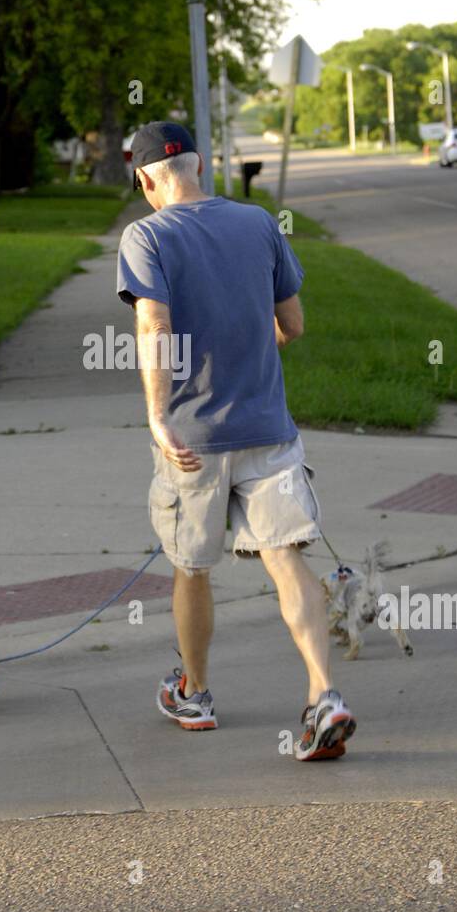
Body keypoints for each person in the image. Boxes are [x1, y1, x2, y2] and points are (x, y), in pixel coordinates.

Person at [116, 121, 356, 760]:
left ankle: (194, 694)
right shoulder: (258, 224)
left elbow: (154, 327)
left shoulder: (147, 236)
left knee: (192, 567)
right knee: (286, 559)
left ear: (146, 180)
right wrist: (252, 348)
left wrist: (158, 415)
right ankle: (324, 695)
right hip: (268, 429)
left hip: (194, 438)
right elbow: (294, 325)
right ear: (200, 166)